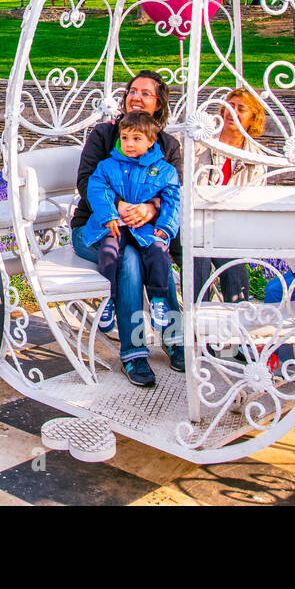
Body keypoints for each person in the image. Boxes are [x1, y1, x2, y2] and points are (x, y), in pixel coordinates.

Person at [70, 70, 184, 387]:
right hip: (95, 228)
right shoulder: (105, 136)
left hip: (144, 230)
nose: (136, 96)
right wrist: (118, 207)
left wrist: (151, 208)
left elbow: (174, 192)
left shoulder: (167, 146)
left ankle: (175, 341)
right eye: (132, 90)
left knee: (149, 253)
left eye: (145, 93)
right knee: (130, 259)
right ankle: (134, 354)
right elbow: (85, 182)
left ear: (158, 103)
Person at [192, 88, 268, 302]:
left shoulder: (255, 158)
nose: (231, 112)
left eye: (240, 108)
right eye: (229, 106)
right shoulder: (199, 144)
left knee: (233, 262)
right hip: (193, 223)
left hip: (228, 228)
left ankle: (235, 318)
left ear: (252, 118)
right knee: (199, 257)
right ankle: (196, 317)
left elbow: (253, 203)